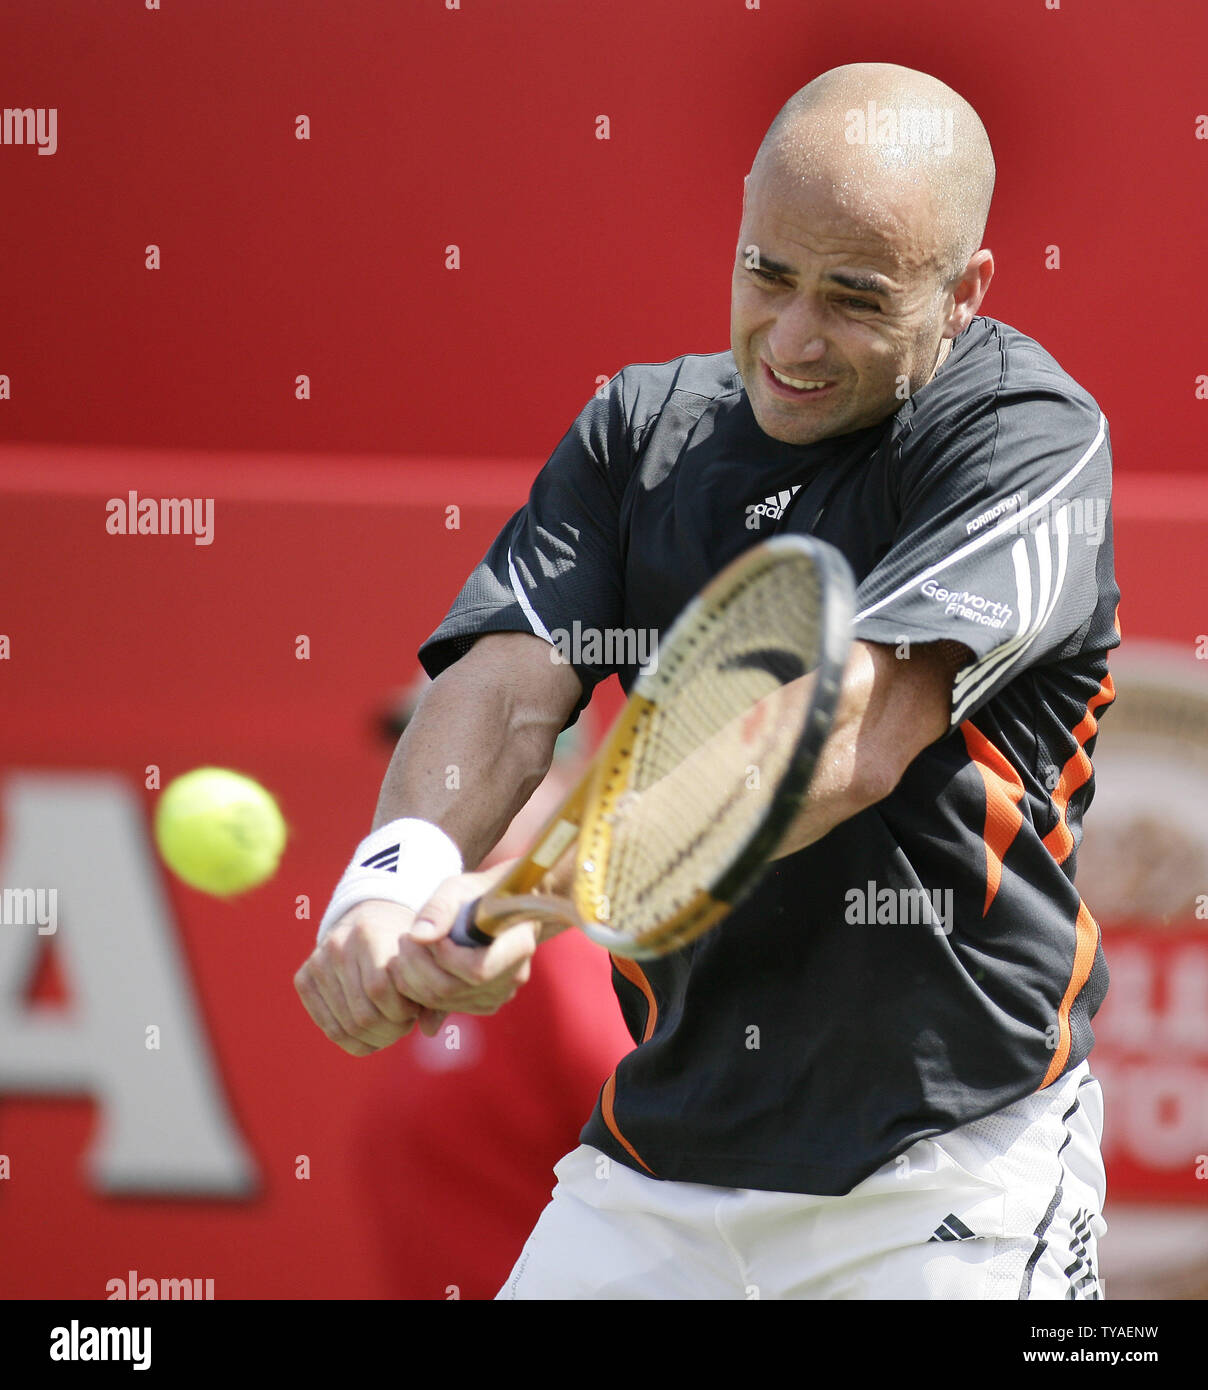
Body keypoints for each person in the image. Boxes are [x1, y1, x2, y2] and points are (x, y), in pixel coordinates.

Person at [295, 62, 1120, 1299]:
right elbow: (511, 682)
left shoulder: (1022, 434)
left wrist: (571, 879)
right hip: (651, 1175)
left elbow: (850, 733)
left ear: (962, 295)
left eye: (852, 298)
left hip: (949, 1180)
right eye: (765, 273)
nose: (790, 339)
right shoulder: (640, 431)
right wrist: (396, 877)